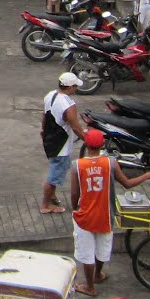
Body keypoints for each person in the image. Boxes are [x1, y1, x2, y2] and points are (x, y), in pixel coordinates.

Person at [71, 129, 150, 297]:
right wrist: (147, 175)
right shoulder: (111, 163)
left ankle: (89, 287)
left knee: (87, 252)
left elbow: (74, 194)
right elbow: (127, 183)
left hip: (85, 216)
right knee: (102, 249)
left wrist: (75, 207)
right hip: (105, 214)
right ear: (102, 145)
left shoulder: (77, 165)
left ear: (86, 145)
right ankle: (98, 275)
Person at [40, 71, 89, 214]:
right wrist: (90, 141)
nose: (76, 89)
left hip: (49, 138)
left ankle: (52, 195)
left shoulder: (50, 96)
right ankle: (45, 204)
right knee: (54, 175)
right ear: (70, 87)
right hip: (61, 144)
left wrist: (43, 131)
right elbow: (75, 127)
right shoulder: (68, 105)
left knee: (59, 167)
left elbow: (44, 115)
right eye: (75, 86)